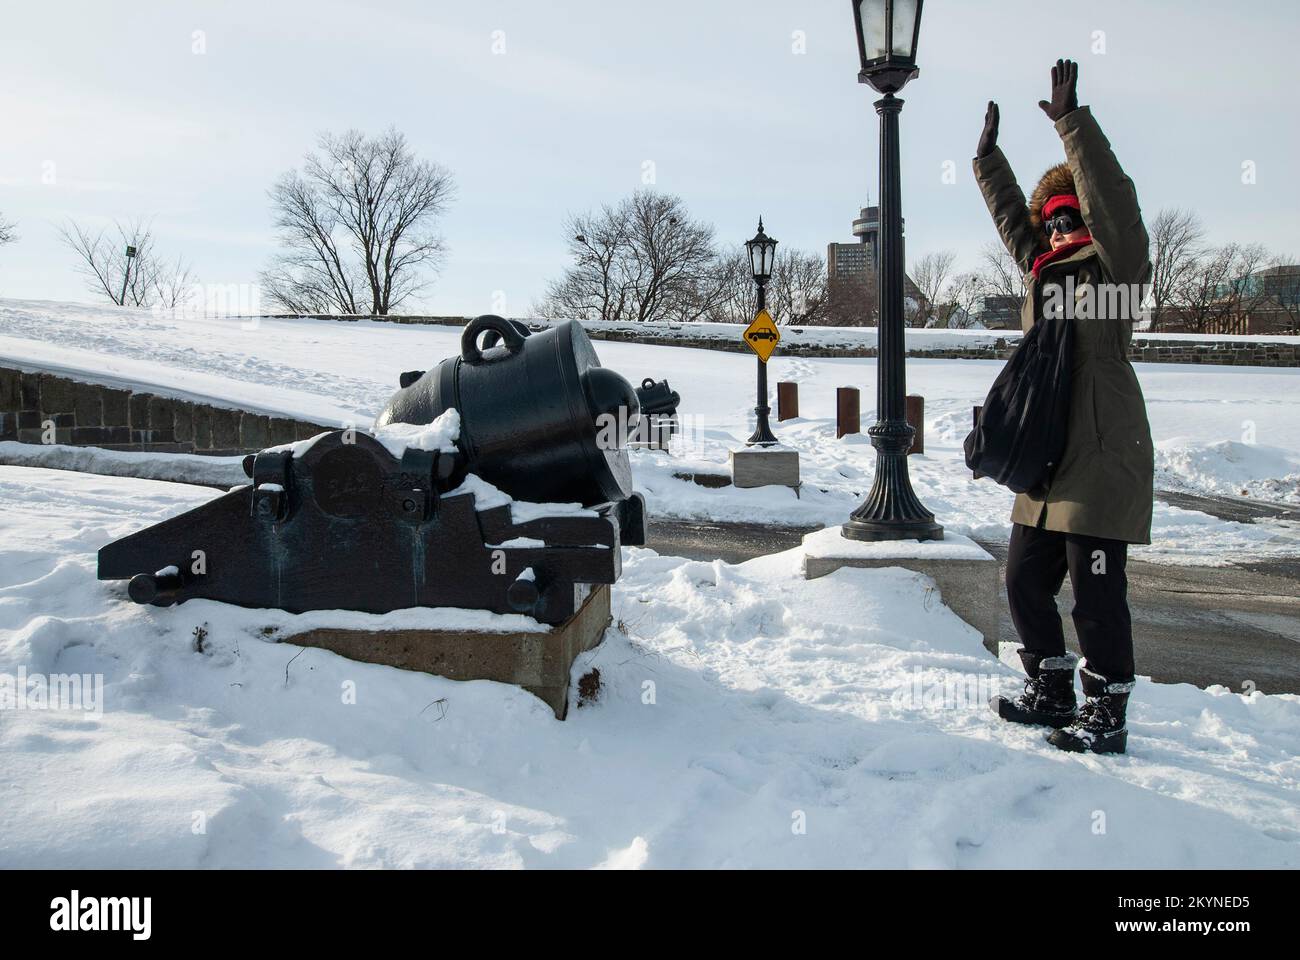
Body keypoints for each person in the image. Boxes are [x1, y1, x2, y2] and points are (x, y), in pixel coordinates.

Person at [975, 60, 1154, 755]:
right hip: (1046, 455)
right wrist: (989, 161)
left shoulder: (1116, 275)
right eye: (1049, 224)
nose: (1055, 233)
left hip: (1103, 453)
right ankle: (1050, 687)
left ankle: (1106, 710)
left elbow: (1115, 204)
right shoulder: (1044, 274)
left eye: (1068, 220)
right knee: (1023, 578)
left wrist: (1071, 125)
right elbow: (1014, 229)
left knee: (1095, 592)